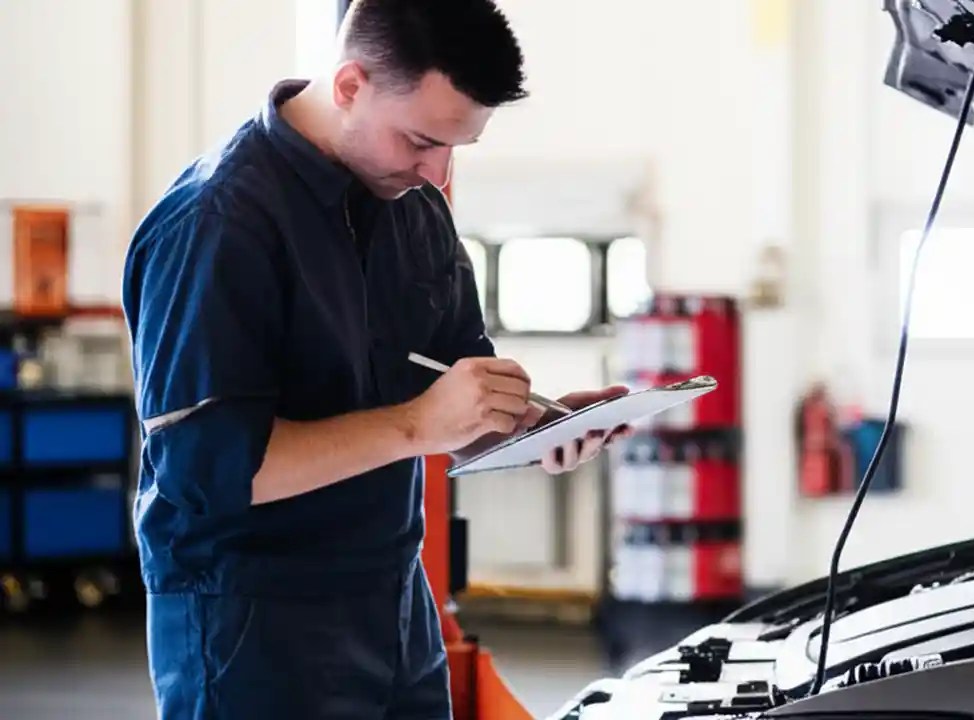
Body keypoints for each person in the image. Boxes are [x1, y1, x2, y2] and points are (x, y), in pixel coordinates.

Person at [122, 0, 626, 716]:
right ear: (351, 85)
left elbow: (445, 400)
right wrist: (419, 426)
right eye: (421, 140)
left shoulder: (415, 210)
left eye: (457, 147)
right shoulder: (218, 220)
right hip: (252, 621)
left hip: (394, 603)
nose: (436, 170)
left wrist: (529, 428)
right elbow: (206, 470)